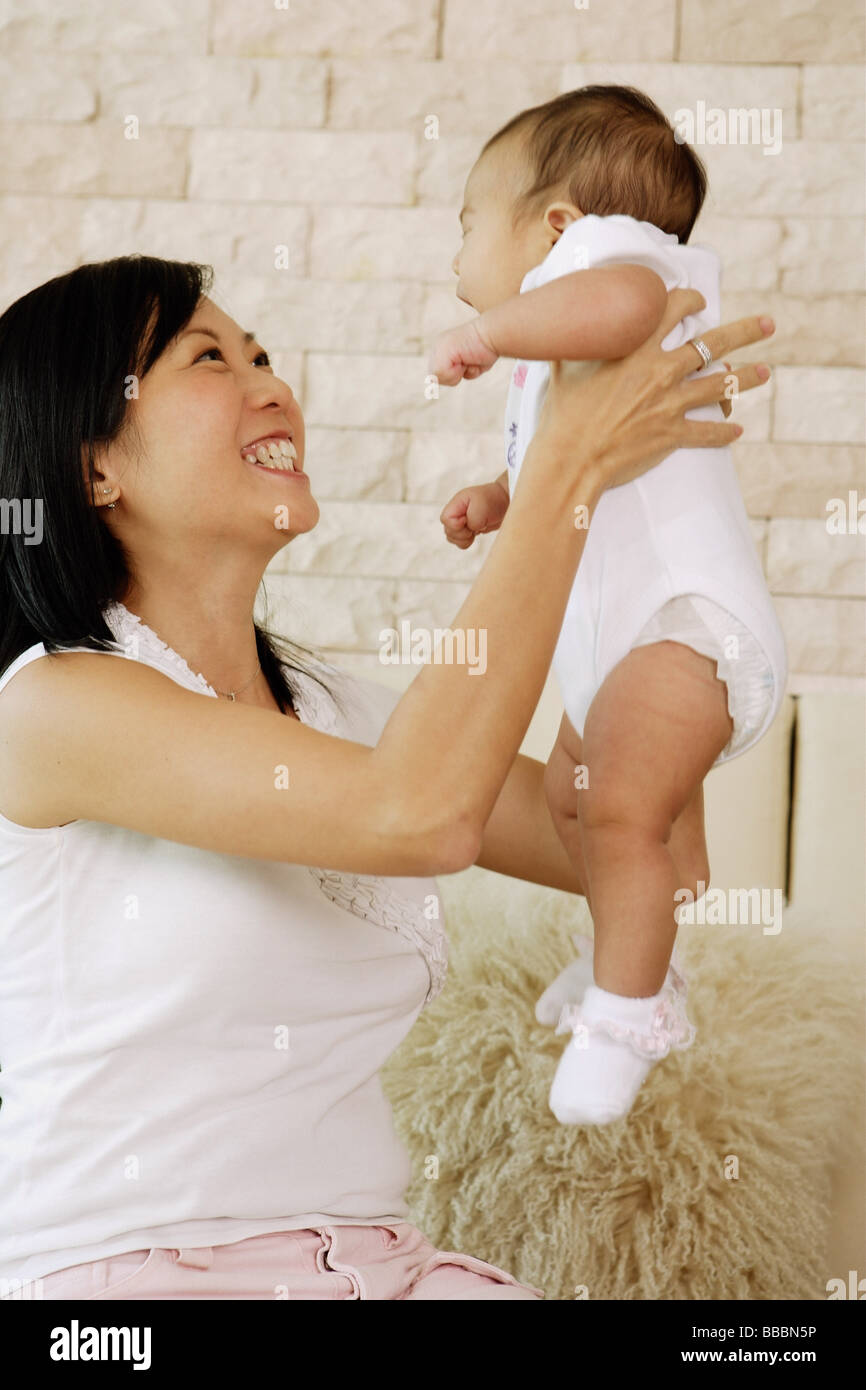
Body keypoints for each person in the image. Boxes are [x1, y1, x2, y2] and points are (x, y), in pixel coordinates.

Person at [0, 254, 774, 1300]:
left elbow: (649, 855)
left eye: (263, 353)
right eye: (208, 358)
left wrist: (644, 539)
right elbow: (416, 817)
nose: (270, 383)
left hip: (379, 1270)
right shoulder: (54, 707)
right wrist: (564, 476)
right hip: (127, 1281)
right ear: (95, 468)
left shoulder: (349, 720)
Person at [429, 85, 787, 1127]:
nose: (456, 255)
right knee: (577, 806)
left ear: (553, 226)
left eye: (465, 224)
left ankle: (626, 1010)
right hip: (619, 633)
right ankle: (634, 966)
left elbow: (627, 304)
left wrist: (493, 328)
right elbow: (564, 460)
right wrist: (498, 499)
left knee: (622, 805)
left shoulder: (615, 268)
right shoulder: (564, 336)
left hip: (683, 618)